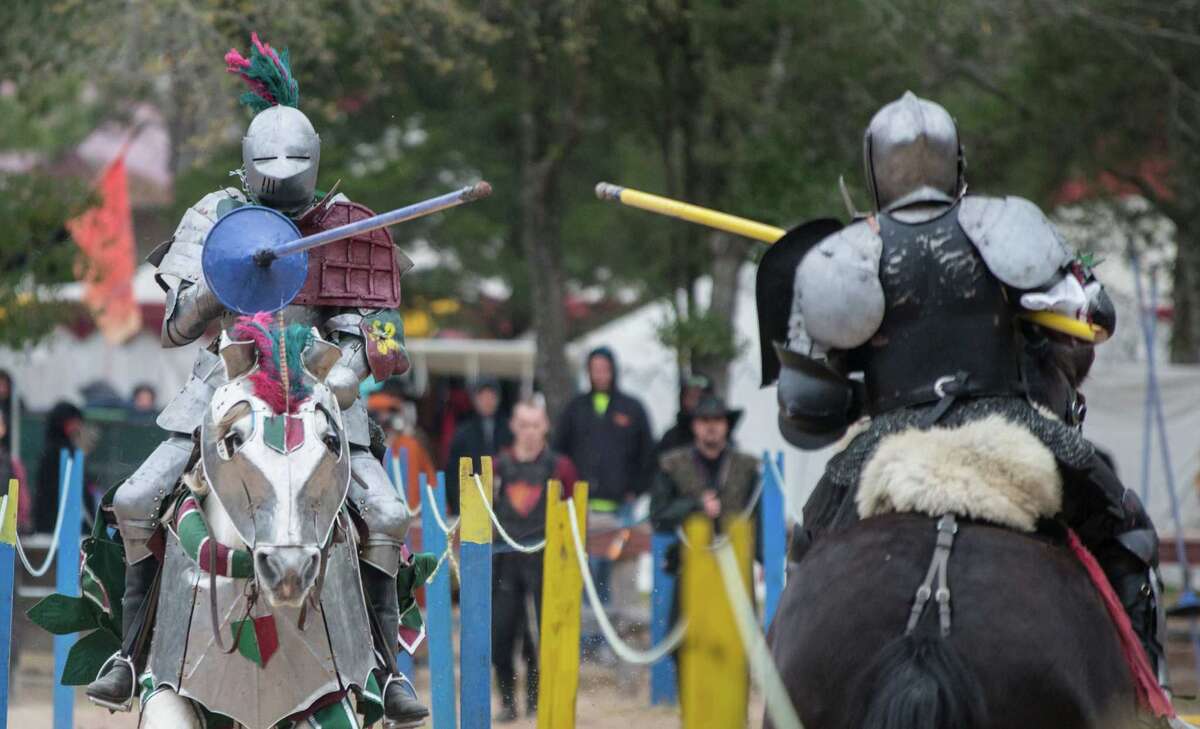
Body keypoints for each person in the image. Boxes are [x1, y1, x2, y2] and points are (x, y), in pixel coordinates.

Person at [765, 91, 1175, 709]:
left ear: (873, 172)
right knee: (1126, 533)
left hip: (888, 443)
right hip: (1009, 424)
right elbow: (1094, 317)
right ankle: (1151, 701)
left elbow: (805, 406)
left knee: (811, 549)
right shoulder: (1003, 227)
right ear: (958, 164)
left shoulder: (846, 256)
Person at [87, 34, 427, 725]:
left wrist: (354, 363)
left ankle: (387, 669)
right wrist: (231, 270)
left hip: (323, 396)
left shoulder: (347, 227)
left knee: (388, 515)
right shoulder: (215, 217)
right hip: (224, 391)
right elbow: (177, 327)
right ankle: (130, 653)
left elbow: (383, 339)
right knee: (135, 496)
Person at [553, 346, 653, 654]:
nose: (600, 373)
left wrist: (635, 489)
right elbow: (560, 454)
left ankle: (620, 644)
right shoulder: (575, 409)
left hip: (622, 511)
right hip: (582, 509)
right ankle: (586, 645)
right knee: (586, 577)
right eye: (594, 368)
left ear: (613, 370)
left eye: (605, 368)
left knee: (621, 578)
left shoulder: (632, 408)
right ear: (588, 371)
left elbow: (648, 454)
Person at [491, 399, 577, 722]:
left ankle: (535, 702)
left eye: (536, 425)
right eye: (524, 424)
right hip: (505, 564)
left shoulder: (561, 468)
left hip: (546, 564)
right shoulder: (498, 468)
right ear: (514, 426)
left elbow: (572, 518)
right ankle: (509, 702)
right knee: (500, 636)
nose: (529, 432)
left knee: (537, 637)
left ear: (546, 427)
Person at [446, 376, 512, 514]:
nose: (487, 401)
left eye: (491, 397)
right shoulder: (463, 432)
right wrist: (457, 504)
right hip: (471, 500)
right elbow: (452, 471)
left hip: (503, 503)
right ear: (475, 400)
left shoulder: (510, 429)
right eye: (483, 397)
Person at [654, 372, 713, 459]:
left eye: (701, 397)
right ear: (683, 400)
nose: (696, 402)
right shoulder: (671, 438)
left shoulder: (720, 437)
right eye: (691, 397)